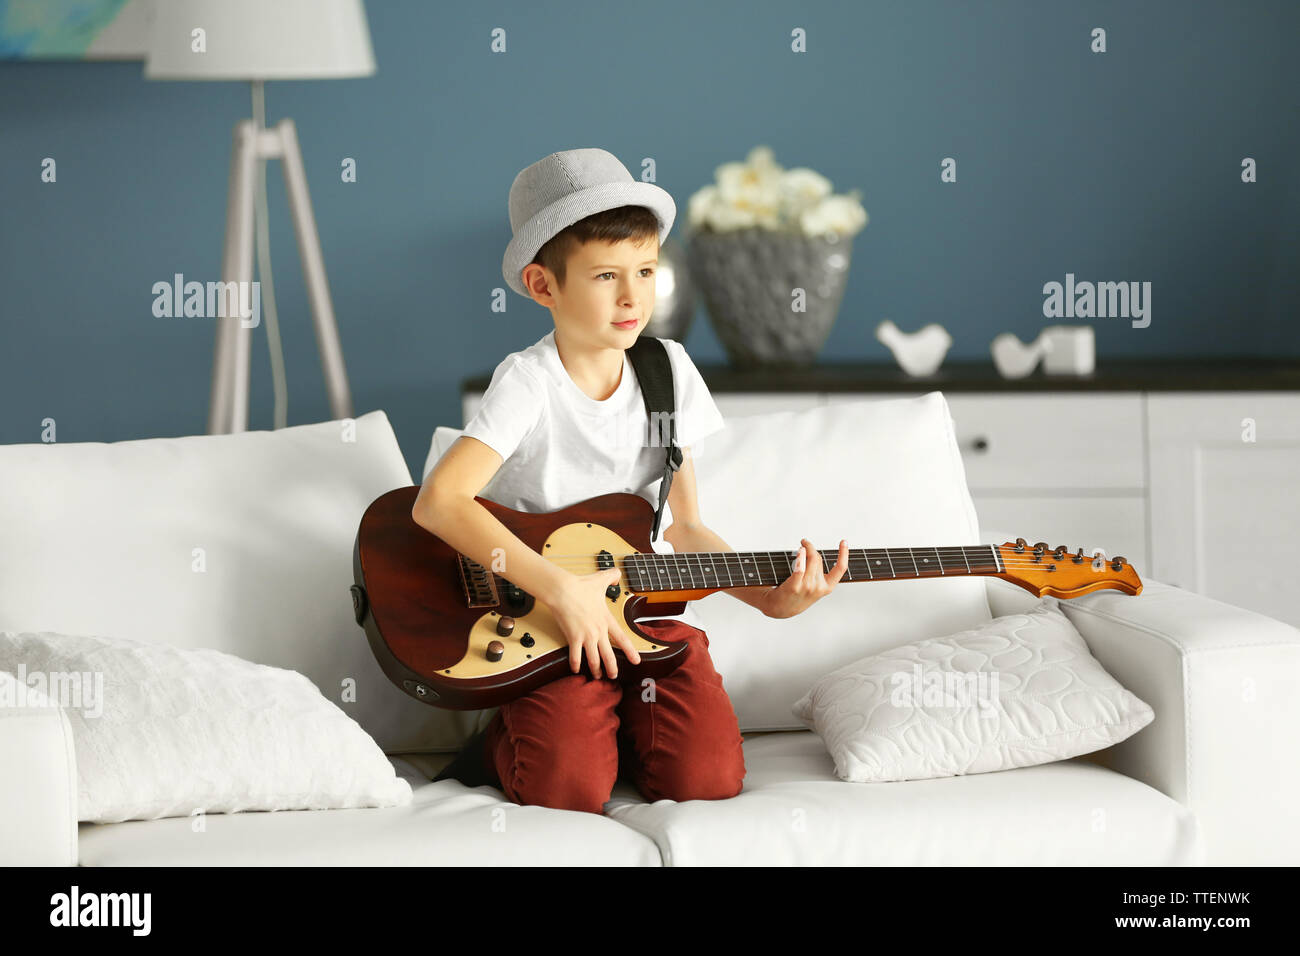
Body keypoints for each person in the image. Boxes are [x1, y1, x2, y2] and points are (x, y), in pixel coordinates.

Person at [414, 147, 849, 815]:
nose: (632, 297)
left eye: (646, 271)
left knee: (707, 780)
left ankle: (620, 718)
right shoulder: (529, 383)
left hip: (650, 611)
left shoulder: (666, 372)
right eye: (606, 276)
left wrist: (769, 601)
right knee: (567, 791)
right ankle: (508, 733)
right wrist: (564, 591)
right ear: (543, 286)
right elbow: (439, 502)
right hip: (547, 621)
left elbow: (686, 527)